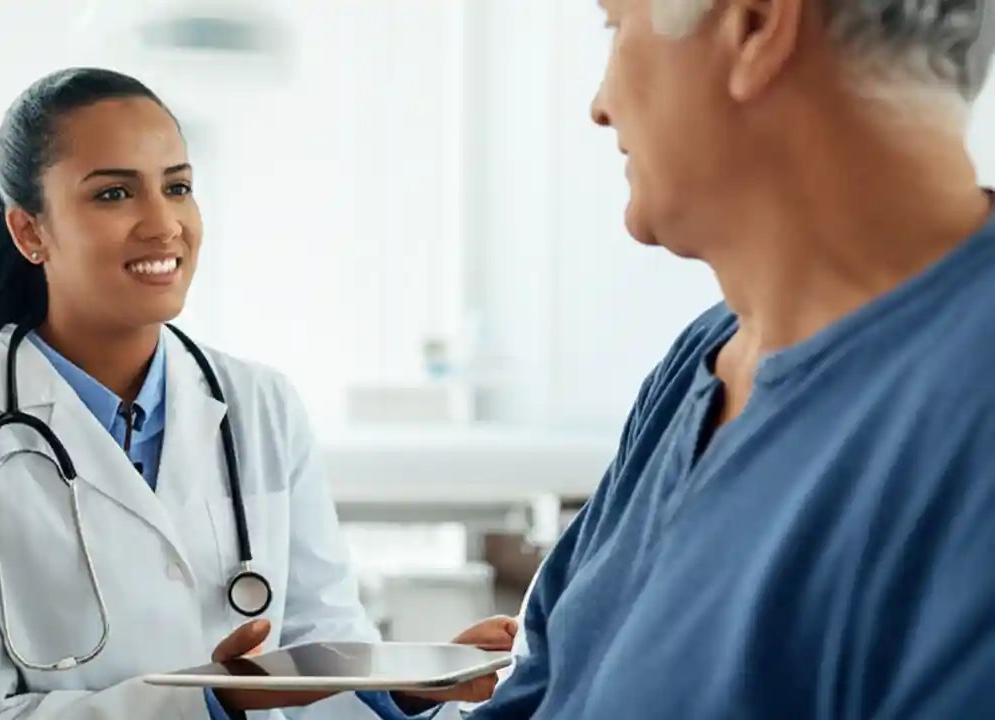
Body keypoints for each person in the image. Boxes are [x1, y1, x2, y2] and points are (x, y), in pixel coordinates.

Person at [372, 0, 995, 718]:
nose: (599, 106)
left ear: (756, 26)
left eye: (615, 26)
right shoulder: (704, 362)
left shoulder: (964, 427)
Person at [0, 67, 516, 719]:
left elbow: (324, 648)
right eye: (114, 194)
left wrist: (398, 687)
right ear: (30, 232)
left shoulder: (262, 405)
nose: (163, 223)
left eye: (178, 187)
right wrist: (210, 698)